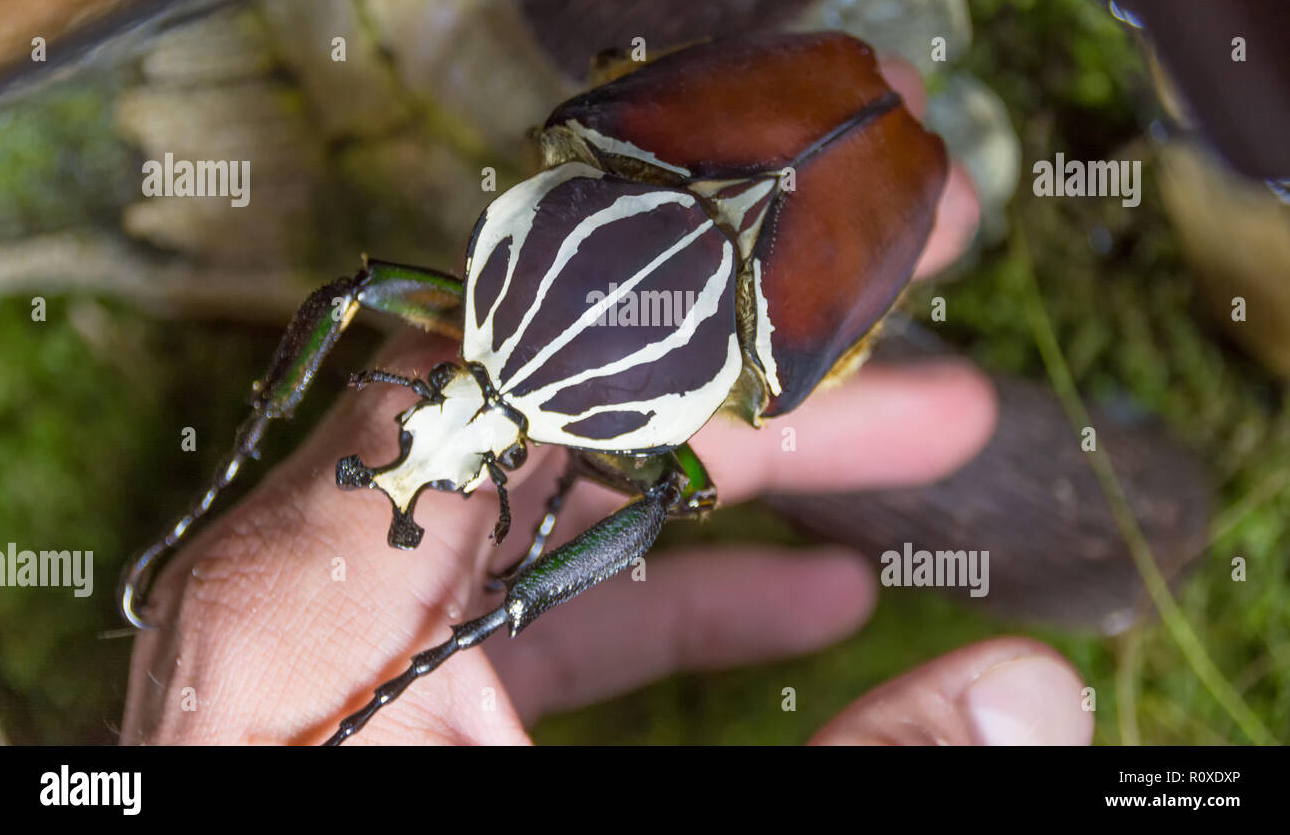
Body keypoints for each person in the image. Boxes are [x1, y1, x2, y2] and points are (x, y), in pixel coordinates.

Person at [119, 62, 1093, 746]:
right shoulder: (599, 154)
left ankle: (471, 615)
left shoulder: (599, 182)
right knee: (675, 484)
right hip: (769, 174)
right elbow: (672, 484)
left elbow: (350, 292)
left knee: (669, 479)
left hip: (786, 166)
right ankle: (478, 618)